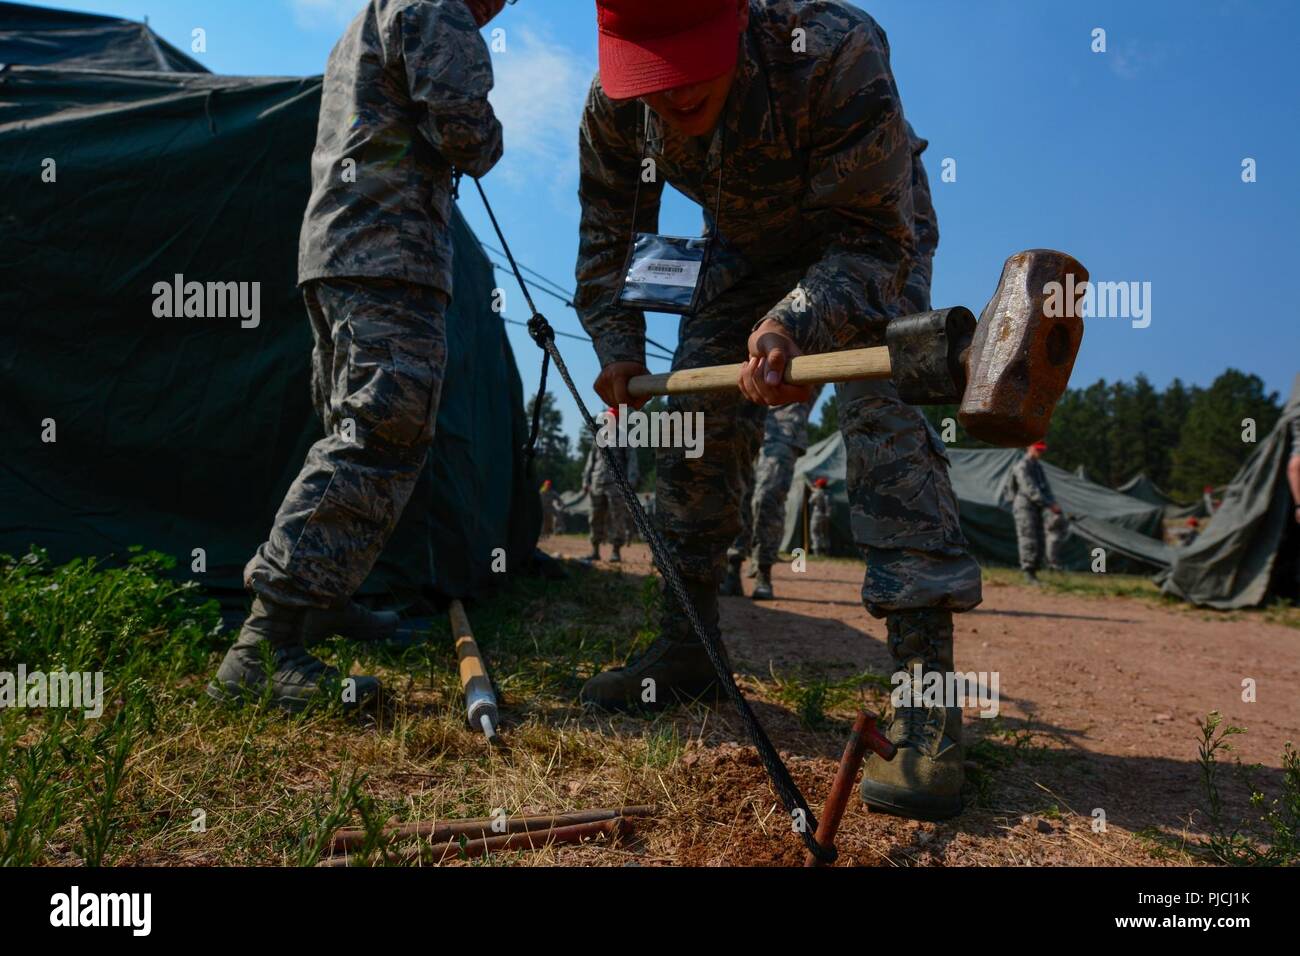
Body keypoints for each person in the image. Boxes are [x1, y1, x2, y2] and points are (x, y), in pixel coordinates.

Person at [574, 0, 981, 821]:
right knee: (689, 416)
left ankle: (927, 702)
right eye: (651, 75)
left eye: (690, 61)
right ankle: (688, 642)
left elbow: (871, 244)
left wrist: (794, 326)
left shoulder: (835, 52)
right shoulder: (615, 106)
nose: (673, 93)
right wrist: (618, 343)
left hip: (868, 234)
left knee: (883, 418)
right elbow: (610, 241)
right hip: (744, 247)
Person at [209, 0, 509, 712]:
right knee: (381, 436)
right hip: (388, 254)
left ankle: (323, 601)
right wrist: (488, 137)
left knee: (354, 431)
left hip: (344, 250)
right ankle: (264, 643)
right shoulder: (440, 7)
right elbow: (467, 130)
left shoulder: (376, 12)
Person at [721, 388, 822, 600]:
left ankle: (763, 571)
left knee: (768, 495)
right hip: (747, 413)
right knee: (739, 491)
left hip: (785, 422)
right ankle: (732, 567)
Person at [582, 408, 640, 562]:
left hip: (616, 485)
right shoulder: (599, 437)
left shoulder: (624, 437)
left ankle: (616, 551)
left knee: (617, 517)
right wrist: (585, 480)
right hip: (597, 483)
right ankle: (595, 550)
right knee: (594, 516)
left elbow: (632, 460)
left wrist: (631, 481)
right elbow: (591, 460)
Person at [1008, 441, 1062, 585]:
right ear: (1029, 448)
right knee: (1028, 538)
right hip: (1024, 506)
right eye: (1037, 449)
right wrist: (1050, 504)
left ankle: (1034, 572)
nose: (1039, 453)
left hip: (1037, 507)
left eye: (1041, 450)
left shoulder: (1038, 467)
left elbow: (1046, 488)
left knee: (1038, 538)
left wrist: (1053, 504)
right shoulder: (1022, 466)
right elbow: (1030, 489)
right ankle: (1028, 573)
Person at [809, 476, 833, 556]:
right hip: (827, 515)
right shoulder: (829, 493)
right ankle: (827, 551)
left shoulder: (817, 493)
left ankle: (817, 552)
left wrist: (814, 491)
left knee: (815, 533)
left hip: (817, 515)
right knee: (825, 534)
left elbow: (810, 501)